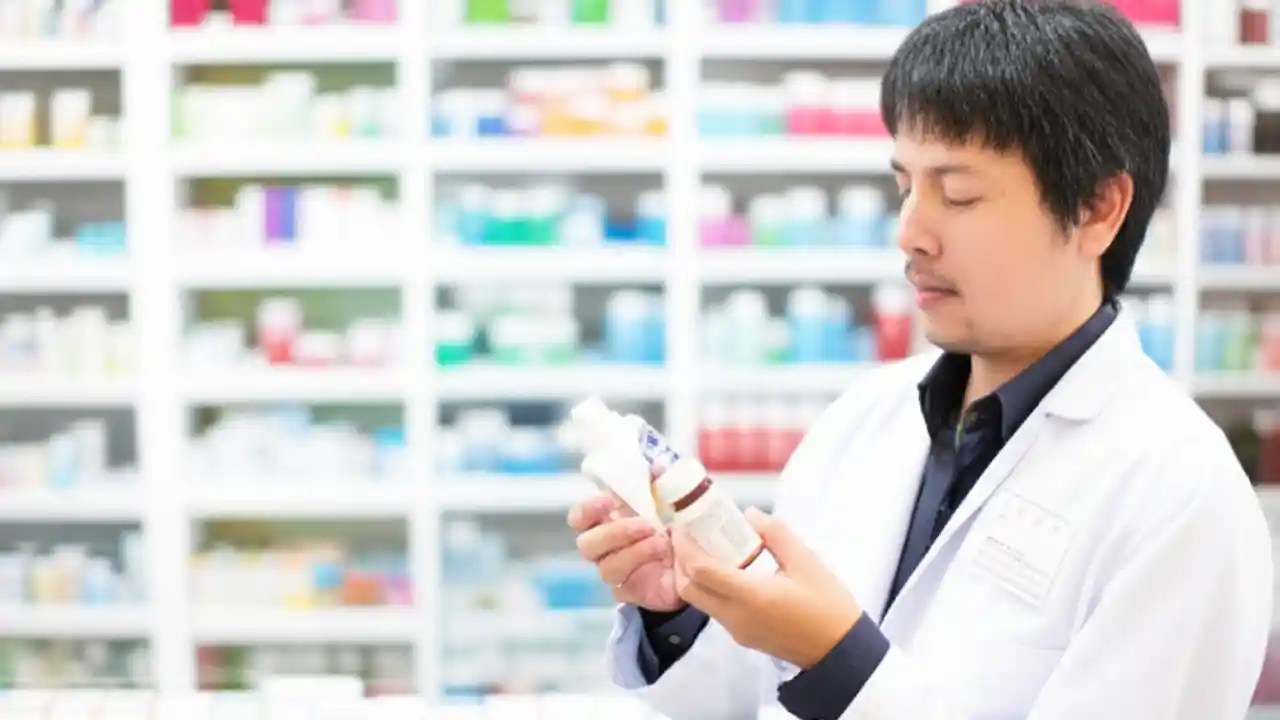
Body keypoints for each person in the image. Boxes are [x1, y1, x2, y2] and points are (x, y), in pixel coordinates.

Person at [566, 1, 1275, 717]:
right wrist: (680, 613)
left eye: (958, 194)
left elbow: (826, 668)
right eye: (905, 185)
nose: (910, 233)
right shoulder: (864, 419)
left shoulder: (1181, 493)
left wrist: (836, 659)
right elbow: (751, 698)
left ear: (1097, 209)